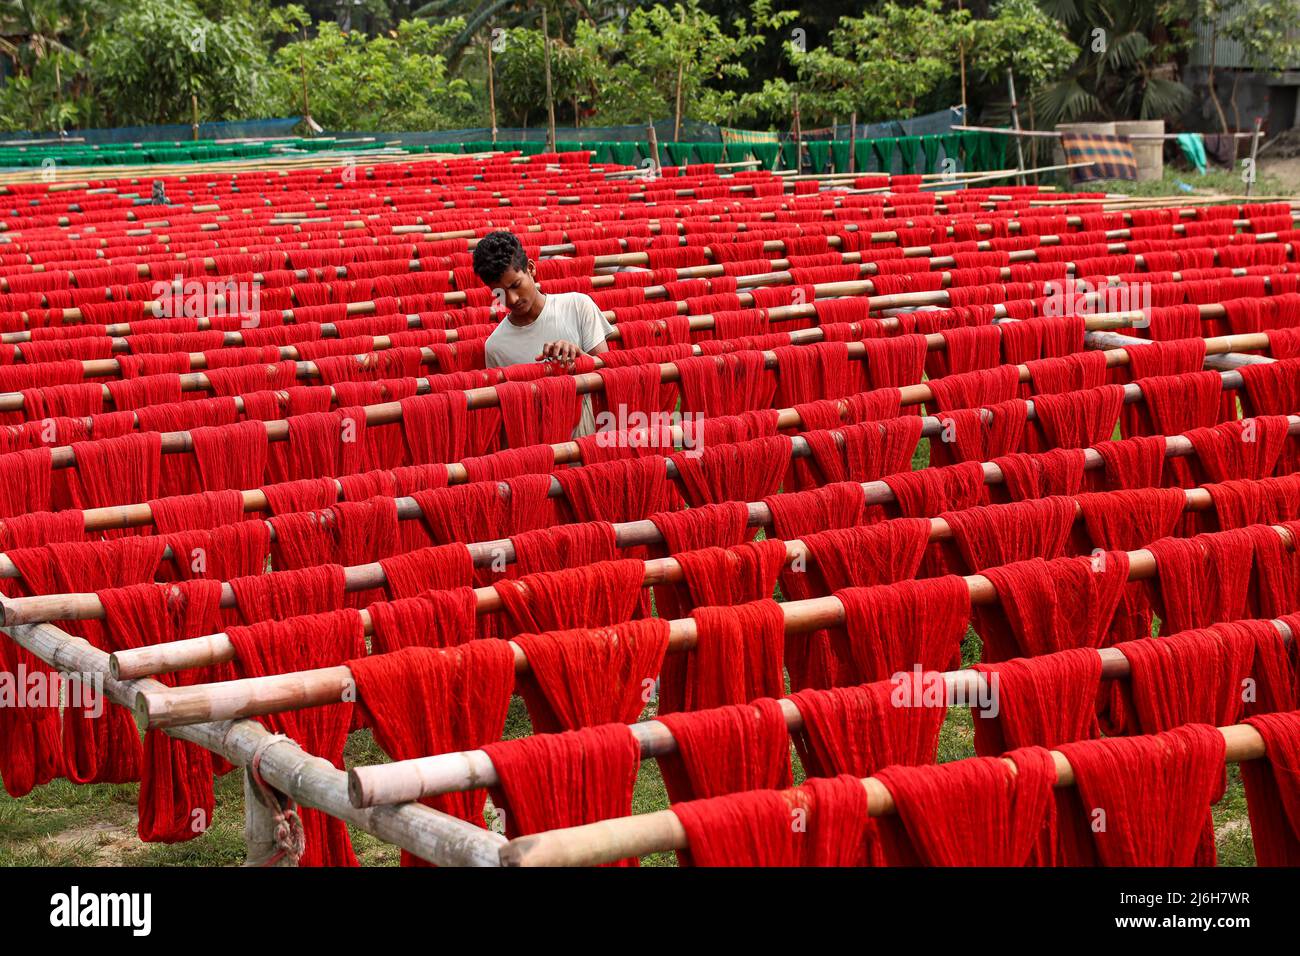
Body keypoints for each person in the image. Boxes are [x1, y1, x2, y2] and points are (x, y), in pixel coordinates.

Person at [473, 230, 614, 437]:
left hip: (592, 432)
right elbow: (507, 415)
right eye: (499, 293)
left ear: (531, 268)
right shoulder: (496, 346)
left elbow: (611, 373)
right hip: (538, 442)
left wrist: (579, 357)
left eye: (516, 285)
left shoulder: (577, 305)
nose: (511, 299)